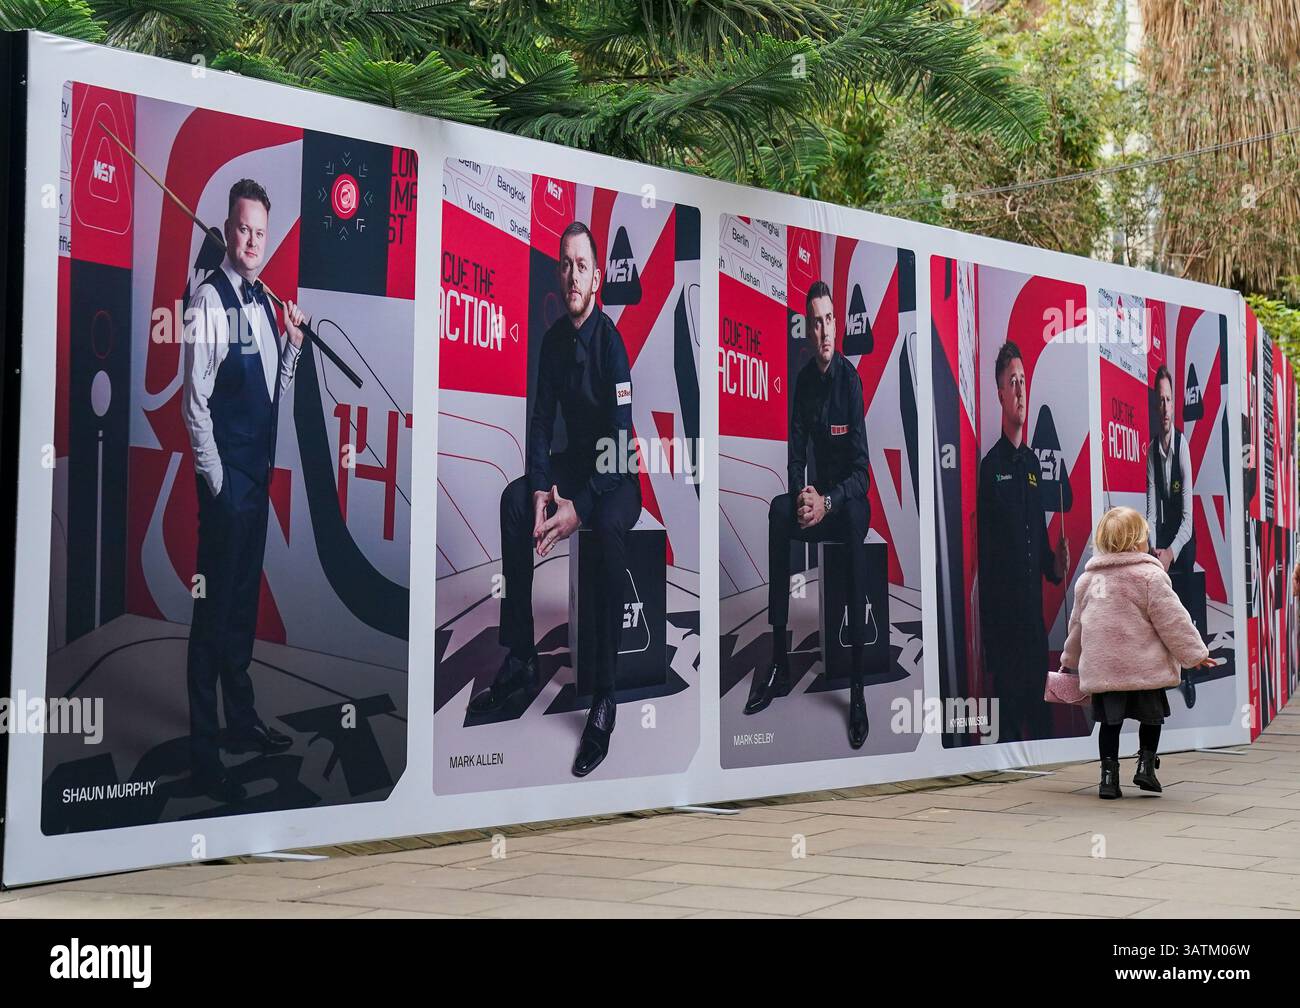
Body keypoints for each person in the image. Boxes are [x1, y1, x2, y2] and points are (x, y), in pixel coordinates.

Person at [467, 221, 641, 779]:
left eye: (581, 266)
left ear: (597, 277)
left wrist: (578, 510)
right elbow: (540, 424)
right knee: (513, 502)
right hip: (572, 467)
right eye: (564, 264)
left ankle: (606, 696)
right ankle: (520, 658)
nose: (571, 275)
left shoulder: (612, 345)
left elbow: (617, 446)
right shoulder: (552, 340)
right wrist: (542, 486)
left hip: (615, 476)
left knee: (607, 534)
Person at [182, 178, 308, 803]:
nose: (252, 241)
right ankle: (206, 749)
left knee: (240, 610)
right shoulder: (207, 302)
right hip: (228, 486)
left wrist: (290, 350)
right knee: (211, 616)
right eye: (242, 230)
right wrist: (218, 480)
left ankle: (242, 722)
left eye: (260, 232)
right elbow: (194, 402)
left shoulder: (262, 304)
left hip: (257, 482)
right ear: (227, 230)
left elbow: (268, 394)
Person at [745, 280, 872, 750]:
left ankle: (856, 687)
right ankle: (779, 659)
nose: (822, 330)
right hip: (814, 500)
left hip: (846, 504)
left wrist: (829, 501)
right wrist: (801, 494)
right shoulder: (803, 381)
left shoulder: (851, 381)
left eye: (829, 320)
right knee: (778, 515)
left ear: (837, 325)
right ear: (808, 329)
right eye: (815, 322)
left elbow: (862, 471)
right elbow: (795, 452)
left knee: (857, 542)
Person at [1060, 507, 1216, 799]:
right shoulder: (1149, 578)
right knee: (1152, 718)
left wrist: (1069, 660)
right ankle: (1146, 767)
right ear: (1137, 541)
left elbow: (1077, 628)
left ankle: (1108, 777)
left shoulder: (1088, 581)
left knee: (1109, 724)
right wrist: (1194, 654)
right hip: (1145, 668)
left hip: (1105, 670)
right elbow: (1173, 621)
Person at [976, 341, 1070, 743]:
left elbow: (1043, 550)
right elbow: (987, 559)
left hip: (1035, 631)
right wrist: (992, 646)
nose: (1019, 390)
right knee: (1009, 738)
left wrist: (1057, 567)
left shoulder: (1033, 464)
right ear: (999, 393)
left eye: (1023, 381)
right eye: (1011, 382)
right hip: (1005, 632)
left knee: (1043, 732)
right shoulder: (989, 467)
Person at [1145, 363, 1199, 707]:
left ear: (1174, 404)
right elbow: (1150, 509)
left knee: (1185, 611)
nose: (1164, 408)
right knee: (1161, 606)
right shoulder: (1151, 451)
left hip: (1183, 541)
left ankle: (1190, 671)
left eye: (1168, 400)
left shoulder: (1182, 447)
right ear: (1155, 406)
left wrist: (1170, 552)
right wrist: (1152, 547)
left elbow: (1189, 519)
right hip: (1163, 538)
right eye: (1159, 402)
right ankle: (1165, 670)